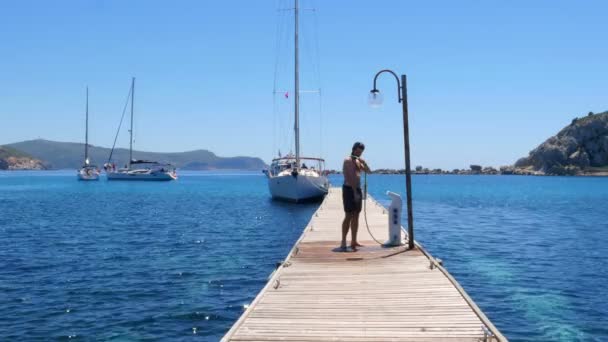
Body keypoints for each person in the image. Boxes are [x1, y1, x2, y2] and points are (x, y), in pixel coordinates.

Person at [341, 142, 371, 251]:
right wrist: (354, 192)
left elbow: (369, 172)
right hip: (349, 190)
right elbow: (349, 178)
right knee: (348, 215)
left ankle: (354, 240)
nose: (359, 153)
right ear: (353, 149)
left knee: (356, 215)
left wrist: (364, 163)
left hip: (357, 189)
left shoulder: (359, 161)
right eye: (357, 151)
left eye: (361, 152)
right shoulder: (348, 160)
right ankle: (343, 241)